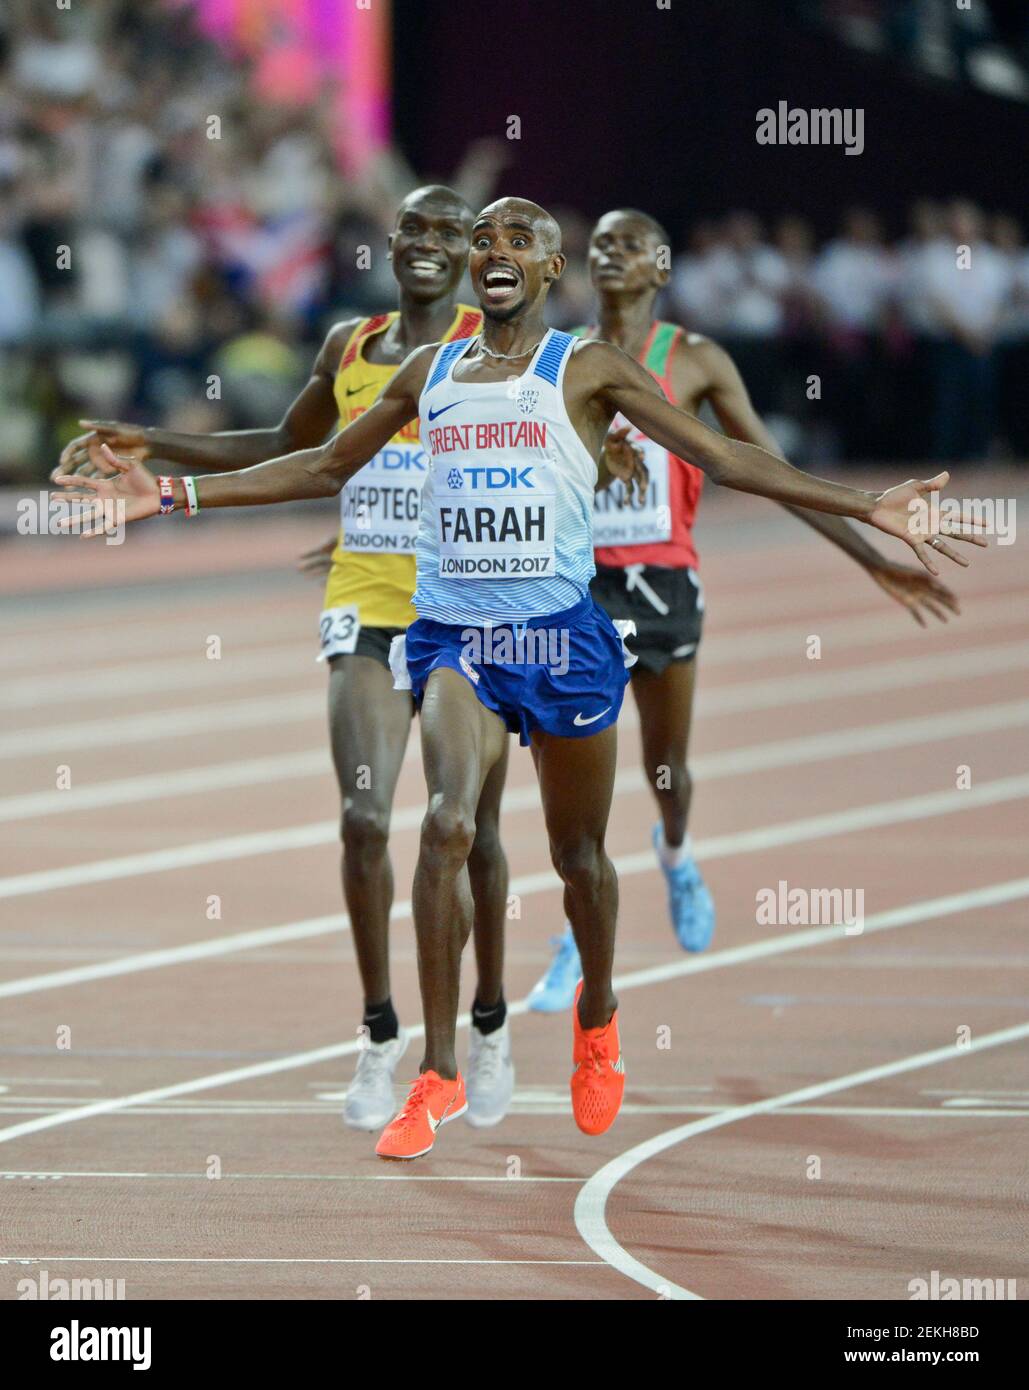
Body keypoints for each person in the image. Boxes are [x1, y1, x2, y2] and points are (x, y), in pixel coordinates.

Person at [54, 196, 983, 1162]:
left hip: (561, 641)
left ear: (549, 272)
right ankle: (439, 1071)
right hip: (455, 639)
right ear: (473, 269)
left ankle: (599, 1015)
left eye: (520, 242)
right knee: (446, 823)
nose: (497, 252)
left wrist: (871, 510)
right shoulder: (430, 370)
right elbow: (325, 463)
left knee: (578, 858)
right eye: (485, 241)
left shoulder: (585, 369)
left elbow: (725, 456)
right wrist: (169, 492)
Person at [56, 186, 516, 1132]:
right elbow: (291, 449)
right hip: (364, 602)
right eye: (413, 230)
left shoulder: (497, 343)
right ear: (390, 246)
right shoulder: (349, 345)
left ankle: (488, 1018)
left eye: (447, 233)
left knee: (463, 831)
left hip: (471, 617)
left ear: (472, 250)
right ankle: (379, 1034)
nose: (428, 245)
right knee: (361, 817)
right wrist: (158, 443)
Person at [528, 207, 962, 1011]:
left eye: (631, 245)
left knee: (668, 772)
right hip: (573, 593)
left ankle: (677, 853)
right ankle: (575, 942)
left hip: (663, 587)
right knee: (573, 787)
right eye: (600, 247)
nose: (611, 255)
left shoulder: (691, 359)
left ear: (663, 267)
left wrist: (870, 557)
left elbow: (757, 463)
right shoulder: (556, 361)